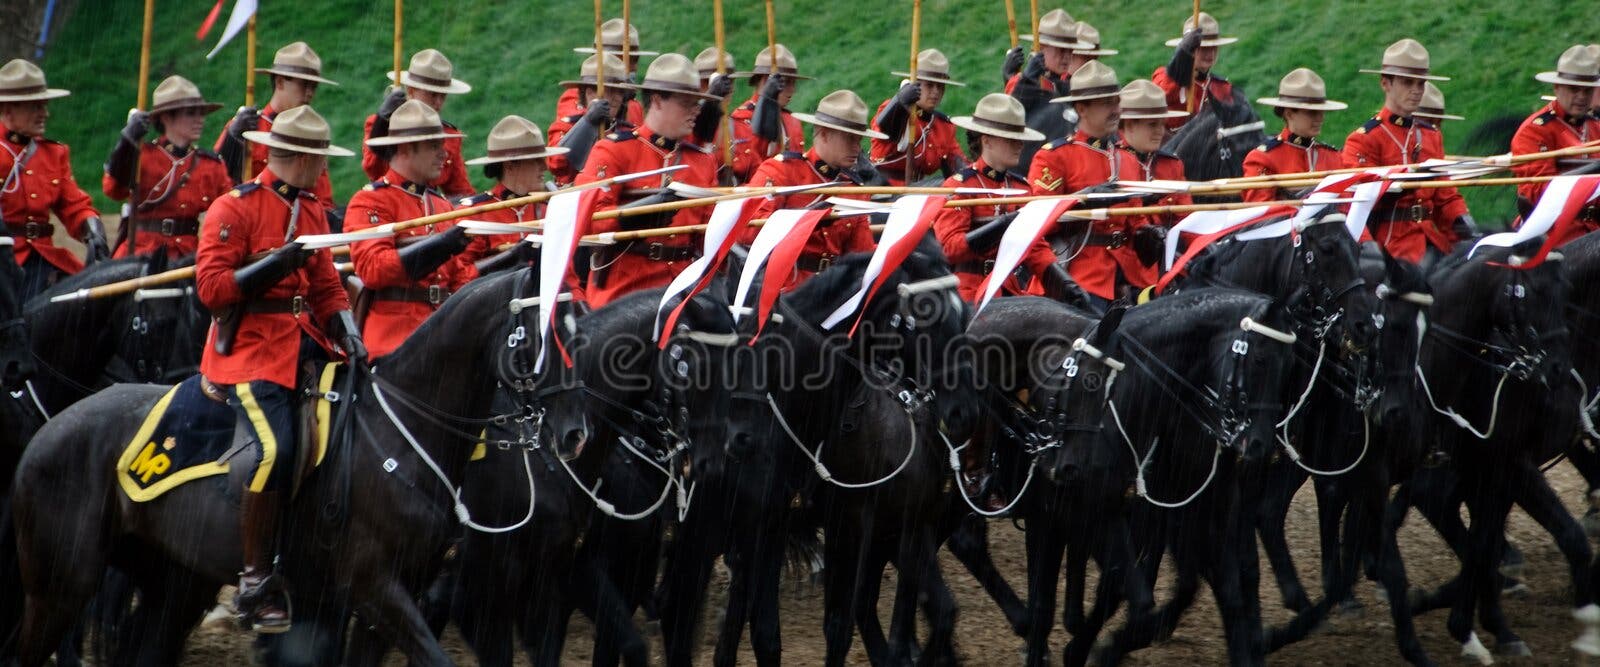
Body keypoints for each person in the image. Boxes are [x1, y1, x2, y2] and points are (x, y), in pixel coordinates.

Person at [192, 105, 364, 633]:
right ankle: (253, 580)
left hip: (304, 344)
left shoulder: (311, 210)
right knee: (276, 450)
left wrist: (349, 334)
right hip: (248, 349)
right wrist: (272, 266)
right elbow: (211, 290)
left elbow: (326, 287)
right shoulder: (234, 207)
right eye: (320, 159)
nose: (324, 169)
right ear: (299, 158)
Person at [574, 53, 723, 307]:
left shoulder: (702, 162)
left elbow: (709, 235)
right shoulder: (613, 150)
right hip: (625, 291)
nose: (696, 110)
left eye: (697, 102)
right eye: (686, 103)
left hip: (683, 290)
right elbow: (587, 220)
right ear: (657, 100)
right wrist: (637, 214)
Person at [347, 100, 482, 358]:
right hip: (395, 338)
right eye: (434, 146)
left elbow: (459, 277)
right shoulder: (371, 200)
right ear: (406, 148)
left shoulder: (442, 206)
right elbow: (373, 269)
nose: (444, 154)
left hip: (441, 331)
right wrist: (438, 247)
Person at [1028, 61, 1155, 309]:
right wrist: (1082, 200)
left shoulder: (1128, 159)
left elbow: (1136, 218)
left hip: (1126, 276)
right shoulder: (1054, 156)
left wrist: (1148, 233)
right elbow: (1037, 221)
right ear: (1082, 108)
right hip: (1079, 275)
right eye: (1107, 103)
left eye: (1117, 102)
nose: (1116, 110)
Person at [935, 93, 1080, 303]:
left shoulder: (1022, 188)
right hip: (968, 292)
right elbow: (949, 248)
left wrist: (1064, 284)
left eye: (1020, 139)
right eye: (1011, 139)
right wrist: (1000, 226)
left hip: (1009, 288)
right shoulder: (960, 186)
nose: (1020, 145)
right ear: (987, 141)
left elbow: (1035, 248)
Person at [745, 89, 885, 288]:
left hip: (834, 288)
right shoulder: (781, 171)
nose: (857, 147)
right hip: (787, 286)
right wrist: (806, 220)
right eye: (849, 138)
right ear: (825, 134)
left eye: (859, 139)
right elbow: (748, 230)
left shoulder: (854, 189)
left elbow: (861, 253)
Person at [1344, 39, 1468, 264]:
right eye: (1407, 83)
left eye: (1421, 84)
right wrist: (1367, 251)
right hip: (1390, 248)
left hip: (1431, 242)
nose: (1416, 91)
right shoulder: (1364, 139)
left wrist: (1468, 231)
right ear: (1386, 83)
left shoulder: (1431, 135)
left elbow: (1446, 196)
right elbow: (1354, 203)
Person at [0, 59, 106, 299]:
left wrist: (92, 229)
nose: (45, 114)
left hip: (44, 262)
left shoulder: (53, 154)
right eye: (35, 107)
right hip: (5, 260)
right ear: (7, 110)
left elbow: (74, 206)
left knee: (88, 303)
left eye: (44, 106)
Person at [102, 75, 232, 258]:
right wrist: (127, 142)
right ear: (166, 117)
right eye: (191, 113)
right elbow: (112, 190)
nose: (200, 120)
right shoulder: (142, 156)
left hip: (188, 255)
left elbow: (230, 210)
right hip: (141, 253)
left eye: (201, 113)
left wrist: (234, 140)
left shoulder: (210, 165)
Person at [458, 115, 581, 295]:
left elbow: (568, 277)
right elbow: (461, 278)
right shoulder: (476, 214)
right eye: (535, 160)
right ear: (509, 165)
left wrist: (580, 304)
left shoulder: (549, 210)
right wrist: (510, 257)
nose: (544, 167)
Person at [213, 41, 339, 213]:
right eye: (303, 84)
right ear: (280, 82)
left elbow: (323, 200)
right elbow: (216, 181)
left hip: (297, 220)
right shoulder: (247, 127)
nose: (310, 93)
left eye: (313, 86)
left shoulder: (311, 135)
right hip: (248, 217)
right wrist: (232, 140)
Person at [362, 49, 474, 199]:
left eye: (443, 96)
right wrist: (382, 123)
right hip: (390, 201)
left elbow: (460, 190)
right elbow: (373, 169)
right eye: (432, 94)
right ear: (411, 91)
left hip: (431, 208)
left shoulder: (449, 135)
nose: (438, 103)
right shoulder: (382, 126)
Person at [1512, 44, 1600, 210]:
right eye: (1574, 89)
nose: (1581, 97)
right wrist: (1588, 177)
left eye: (1587, 91)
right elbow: (1538, 193)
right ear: (1557, 88)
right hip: (1557, 221)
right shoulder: (1534, 131)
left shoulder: (1596, 127)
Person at [1241, 68, 1348, 203]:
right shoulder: (1263, 159)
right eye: (1312, 112)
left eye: (1322, 112)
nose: (1320, 118)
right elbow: (1261, 210)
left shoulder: (1333, 157)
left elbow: (1347, 204)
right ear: (1289, 114)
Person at [869, 48, 967, 185]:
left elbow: (959, 166)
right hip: (882, 189)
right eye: (929, 85)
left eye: (940, 86)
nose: (935, 92)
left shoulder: (943, 126)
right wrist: (900, 101)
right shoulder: (895, 109)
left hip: (918, 189)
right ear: (915, 84)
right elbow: (885, 129)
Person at [1117, 79, 1193, 227]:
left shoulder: (1172, 166)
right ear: (1130, 125)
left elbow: (1186, 219)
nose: (1160, 132)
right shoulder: (1112, 162)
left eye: (1162, 124)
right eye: (1152, 125)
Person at [728, 44, 809, 182]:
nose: (793, 90)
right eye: (787, 82)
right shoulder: (742, 120)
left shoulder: (791, 120)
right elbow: (746, 169)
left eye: (794, 82)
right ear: (767, 81)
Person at [547, 53, 630, 185]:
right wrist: (588, 122)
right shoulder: (566, 127)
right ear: (589, 92)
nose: (616, 97)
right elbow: (556, 164)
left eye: (620, 92)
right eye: (609, 90)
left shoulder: (628, 132)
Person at [1413, 82, 1477, 249]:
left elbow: (1446, 198)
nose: (1435, 130)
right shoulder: (1375, 137)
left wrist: (1469, 232)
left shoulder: (1433, 142)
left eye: (1438, 124)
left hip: (1426, 237)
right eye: (1428, 123)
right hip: (1390, 241)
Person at [1151, 12, 1239, 130]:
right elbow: (1159, 95)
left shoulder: (1222, 87)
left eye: (1214, 47)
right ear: (1189, 50)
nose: (1210, 53)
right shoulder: (1167, 77)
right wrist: (1182, 57)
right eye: (1203, 48)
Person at [561, 18, 650, 126]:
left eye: (635, 60)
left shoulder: (635, 106)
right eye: (627, 60)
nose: (634, 67)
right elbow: (568, 131)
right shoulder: (575, 97)